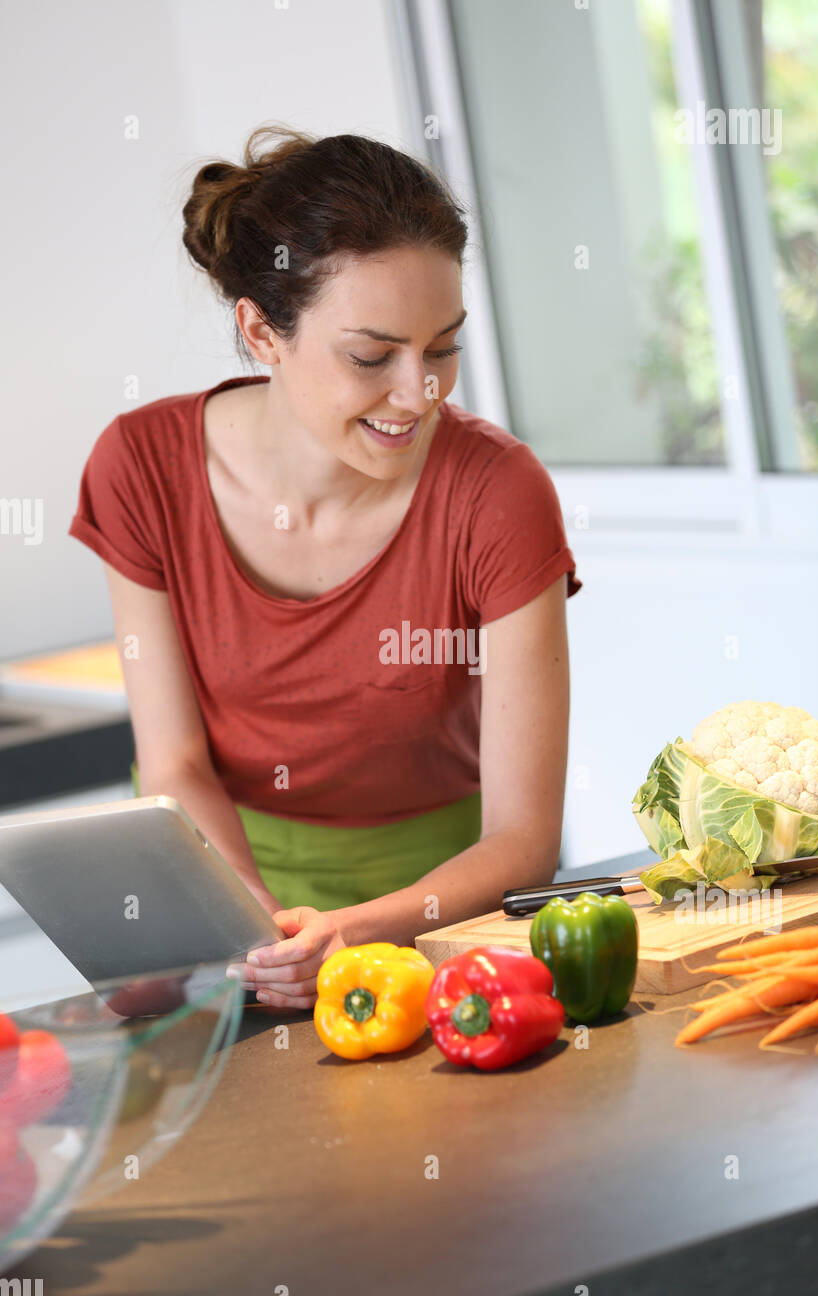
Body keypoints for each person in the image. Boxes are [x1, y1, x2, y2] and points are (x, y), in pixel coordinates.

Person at [68, 124, 581, 1012]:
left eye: (443, 348)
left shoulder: (497, 492)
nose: (418, 392)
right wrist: (260, 931)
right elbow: (174, 761)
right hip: (209, 882)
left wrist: (351, 933)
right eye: (371, 356)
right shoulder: (141, 466)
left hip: (440, 901)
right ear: (262, 331)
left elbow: (523, 838)